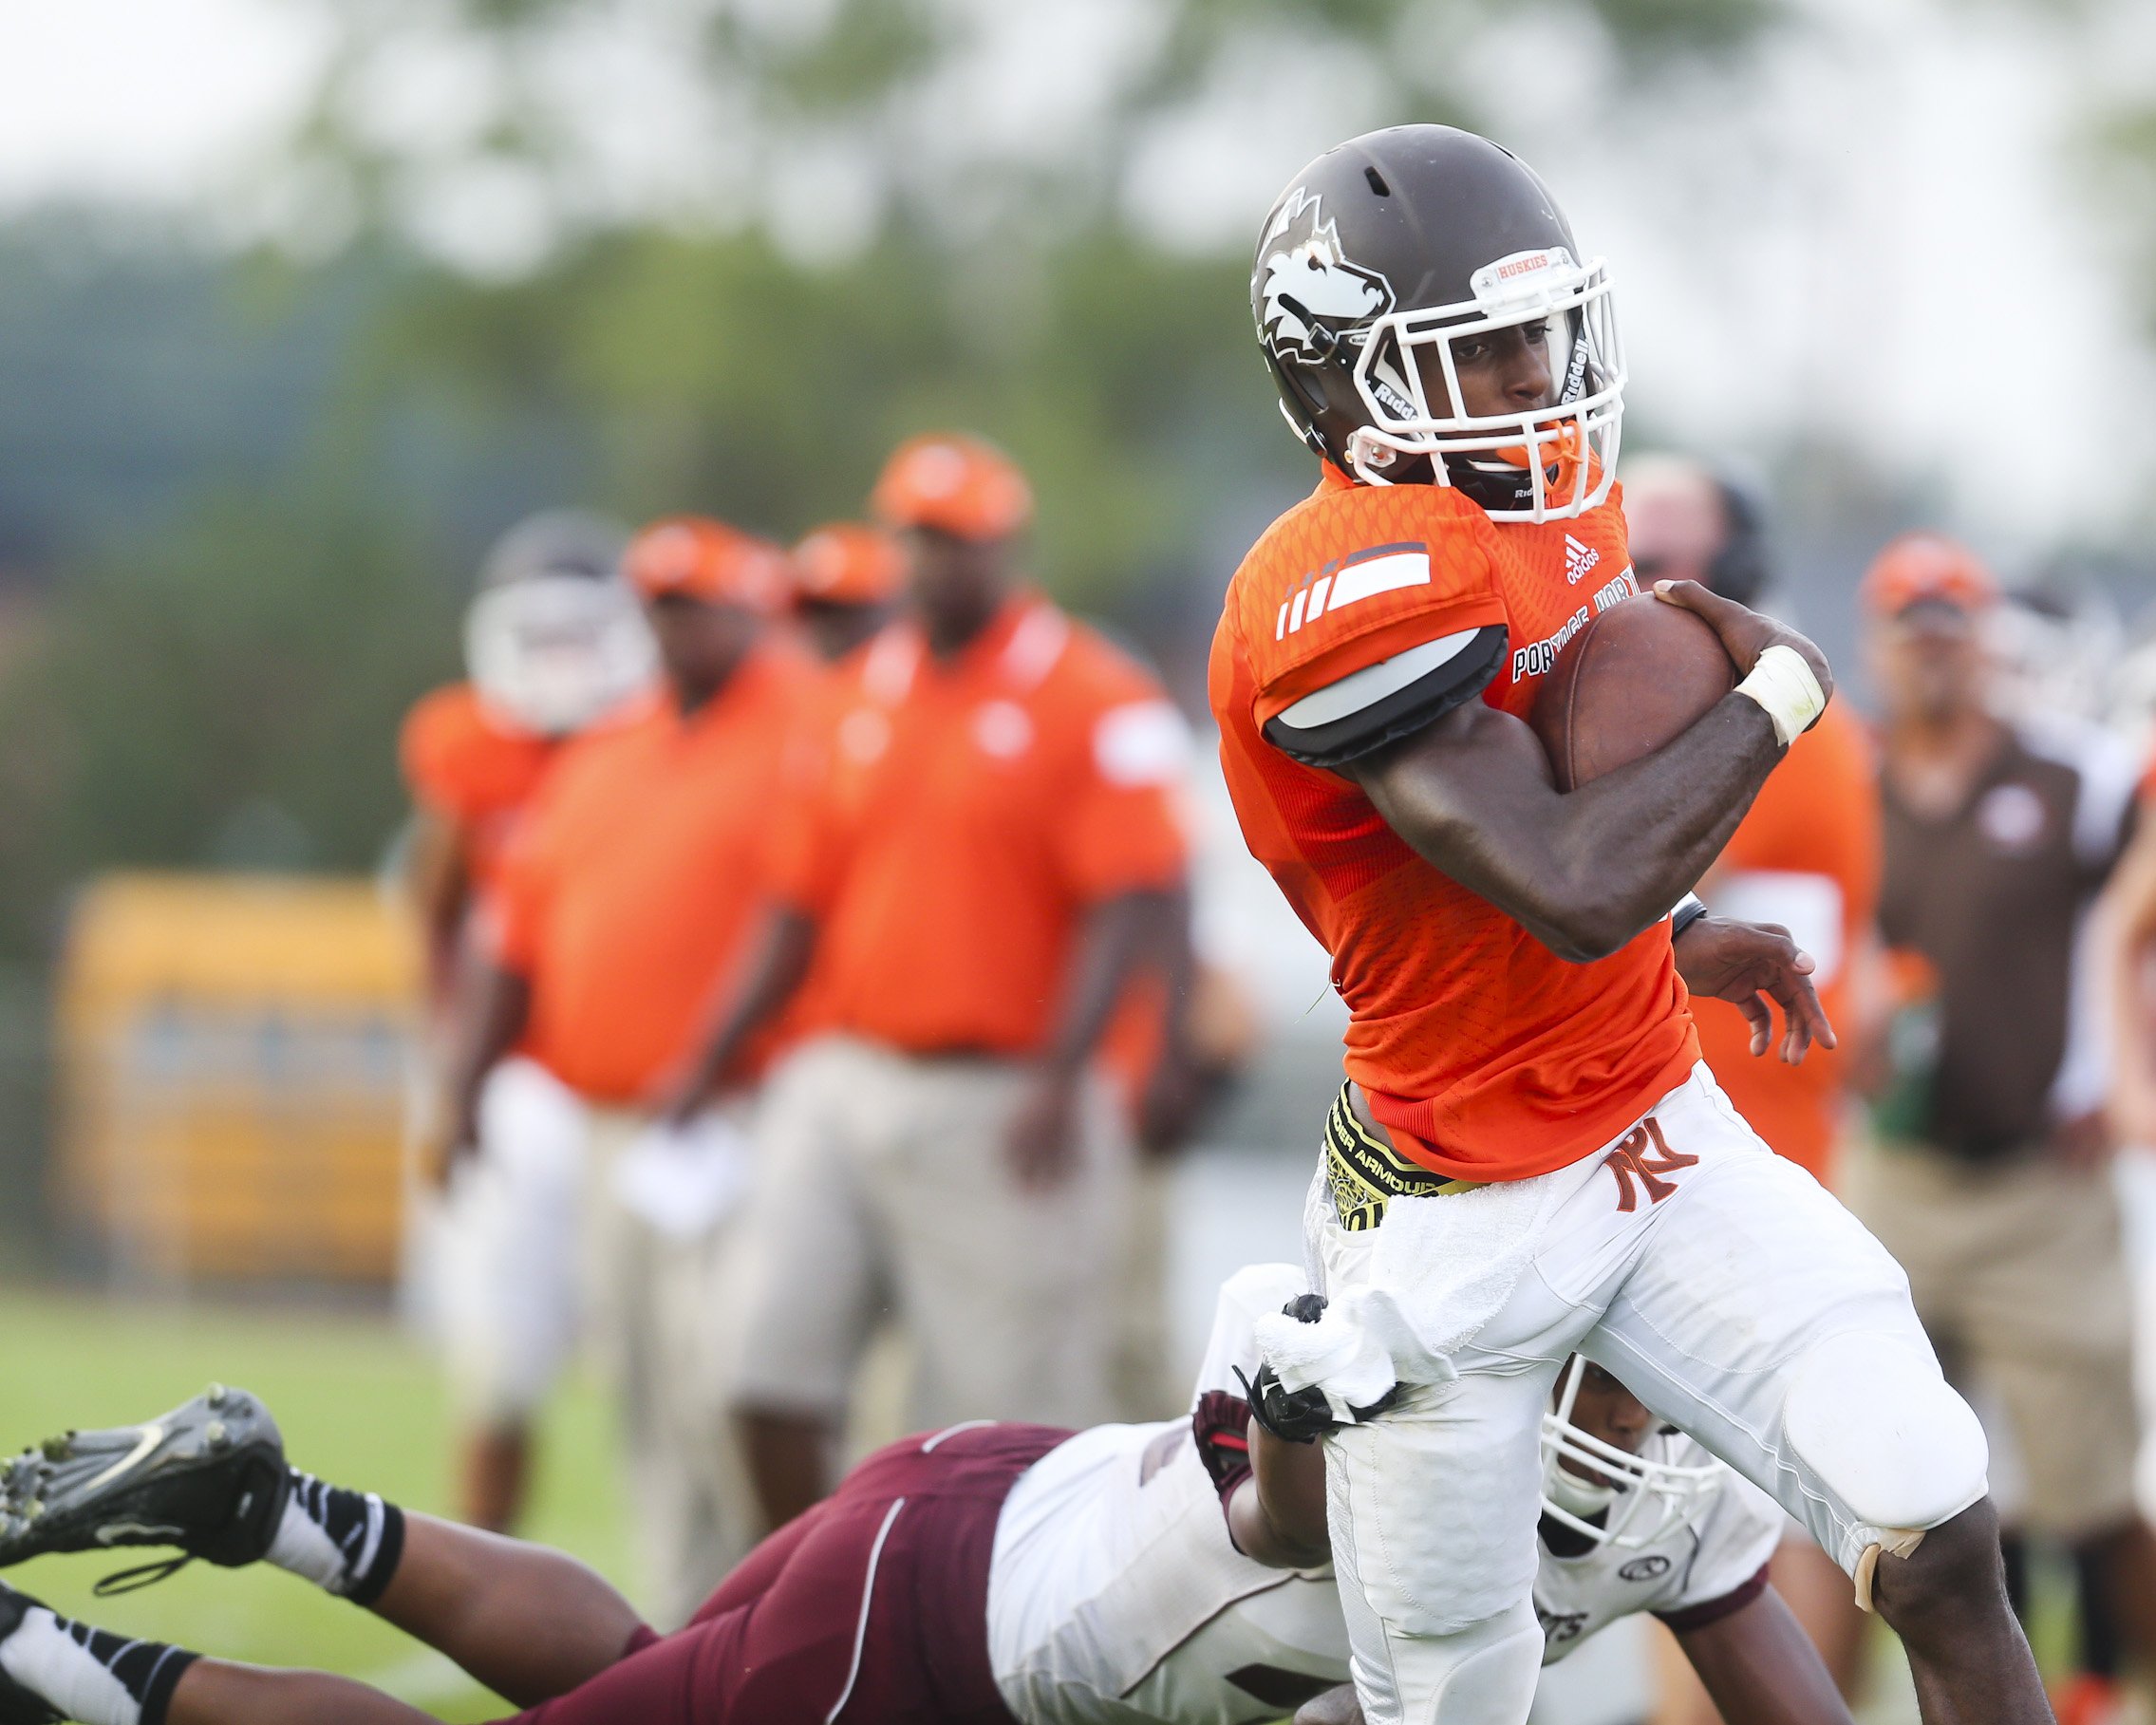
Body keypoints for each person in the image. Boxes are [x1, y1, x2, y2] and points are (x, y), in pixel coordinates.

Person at [1211, 123, 2042, 1725]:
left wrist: (1682, 933)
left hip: (1655, 1128)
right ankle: (1260, 1456)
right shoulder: (1335, 585)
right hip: (1454, 1213)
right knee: (1457, 1694)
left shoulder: (1544, 510)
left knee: (1934, 1522)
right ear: (1340, 387)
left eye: (1541, 326)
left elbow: (1583, 866)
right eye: (1483, 346)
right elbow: (1570, 878)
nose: (1537, 369)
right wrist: (1778, 692)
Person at [0, 1266, 1860, 1725]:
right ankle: (48, 1651)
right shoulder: (1399, 1383)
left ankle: (279, 1507)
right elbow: (1288, 1519)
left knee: (654, 1665)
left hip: (967, 1504)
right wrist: (1307, 1395)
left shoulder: (1684, 1492)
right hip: (932, 1631)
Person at [664, 432, 1196, 1528]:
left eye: (956, 540)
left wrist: (1069, 1072)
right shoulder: (859, 690)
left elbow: (1134, 893)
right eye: (916, 537)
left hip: (1003, 1089)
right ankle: (807, 1597)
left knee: (998, 1422)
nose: (933, 561)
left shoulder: (1087, 689)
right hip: (844, 1070)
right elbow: (794, 902)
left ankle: (980, 1660)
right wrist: (707, 1051)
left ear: (1004, 544)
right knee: (759, 1366)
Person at [437, 514, 811, 1625]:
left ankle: (784, 1605)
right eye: (658, 605)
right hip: (615, 1122)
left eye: (695, 604)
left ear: (748, 610)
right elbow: (513, 940)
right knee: (643, 1386)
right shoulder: (604, 750)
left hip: (747, 1110)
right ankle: (687, 1619)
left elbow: (807, 919)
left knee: (743, 1377)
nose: (672, 627)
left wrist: (708, 1057)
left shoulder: (803, 729)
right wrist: (460, 1081)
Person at [1853, 532, 2156, 1721]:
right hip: (1898, 1169)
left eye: (1954, 631)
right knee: (1884, 1493)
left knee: (2091, 1485)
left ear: (1986, 644)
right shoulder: (1847, 776)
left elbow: (2130, 919)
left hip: (2045, 1180)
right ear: (1880, 648)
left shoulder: (2075, 773)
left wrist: (2106, 1064)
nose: (1935, 656)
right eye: (1911, 633)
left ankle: (2125, 1681)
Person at [1619, 456, 1882, 1714]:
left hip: (1735, 1173)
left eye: (1673, 563)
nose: (1641, 586)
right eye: (1627, 557)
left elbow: (1608, 879)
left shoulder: (1787, 743)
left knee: (1738, 1520)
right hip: (1638, 1163)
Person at [395, 510, 653, 1535]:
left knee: (662, 1354)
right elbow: (439, 904)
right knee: (499, 1360)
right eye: (537, 633)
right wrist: (451, 1063)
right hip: (516, 1078)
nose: (559, 658)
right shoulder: (468, 746)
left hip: (641, 1078)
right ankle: (483, 1569)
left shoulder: (658, 736)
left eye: (578, 631)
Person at [787, 521, 905, 663]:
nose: (829, 629)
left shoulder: (912, 678)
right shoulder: (782, 678)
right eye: (817, 613)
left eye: (845, 613)